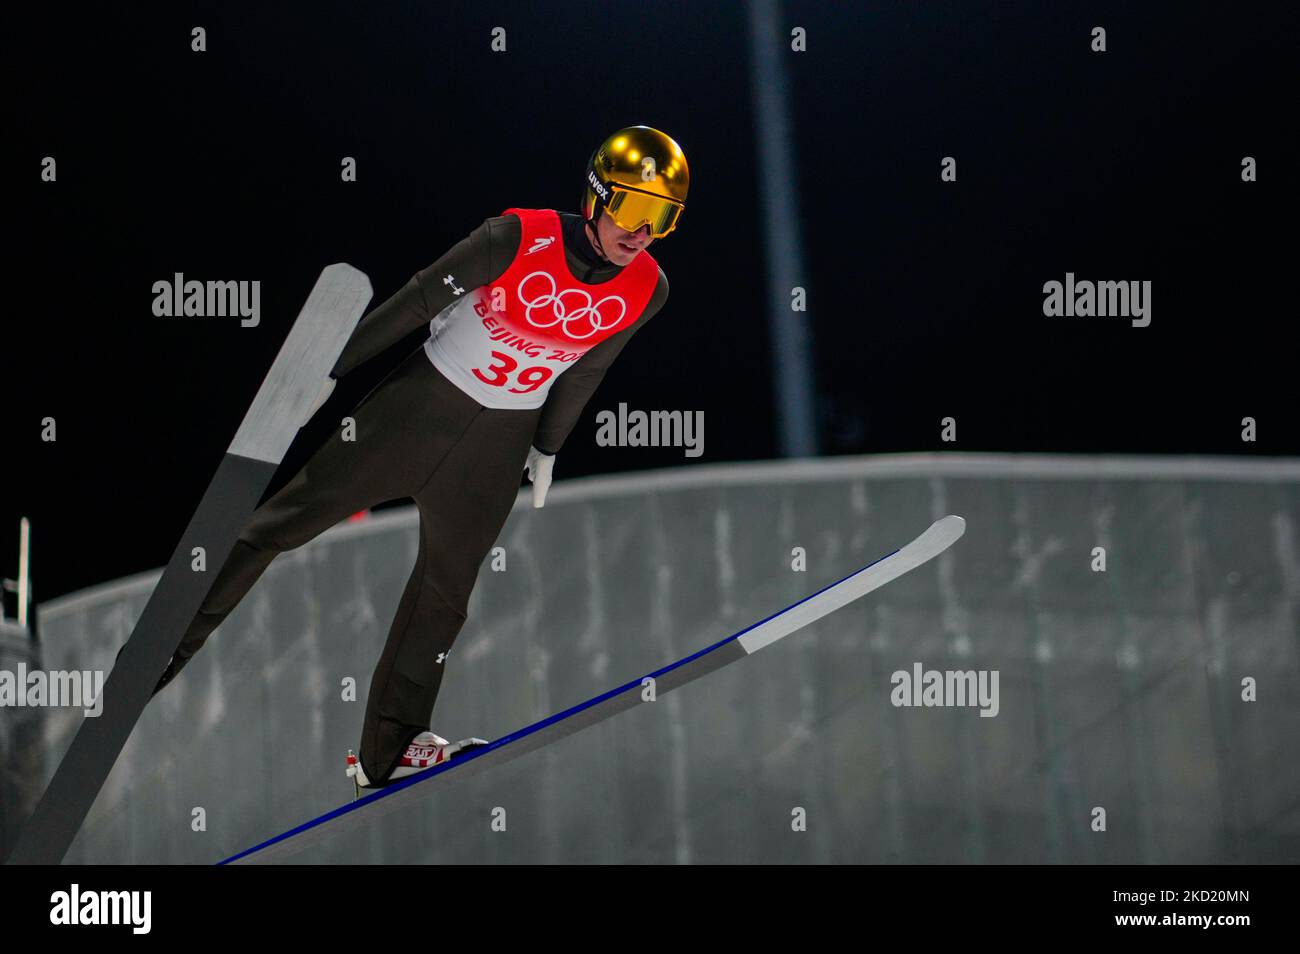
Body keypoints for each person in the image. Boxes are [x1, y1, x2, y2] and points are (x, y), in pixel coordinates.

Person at [137, 125, 689, 789]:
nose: (643, 231)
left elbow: (587, 370)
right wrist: (327, 370)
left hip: (497, 447)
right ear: (597, 197)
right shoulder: (515, 238)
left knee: (446, 594)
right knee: (277, 526)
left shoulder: (646, 289)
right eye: (631, 209)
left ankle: (388, 749)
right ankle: (162, 653)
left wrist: (546, 447)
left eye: (662, 217)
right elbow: (420, 300)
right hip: (420, 410)